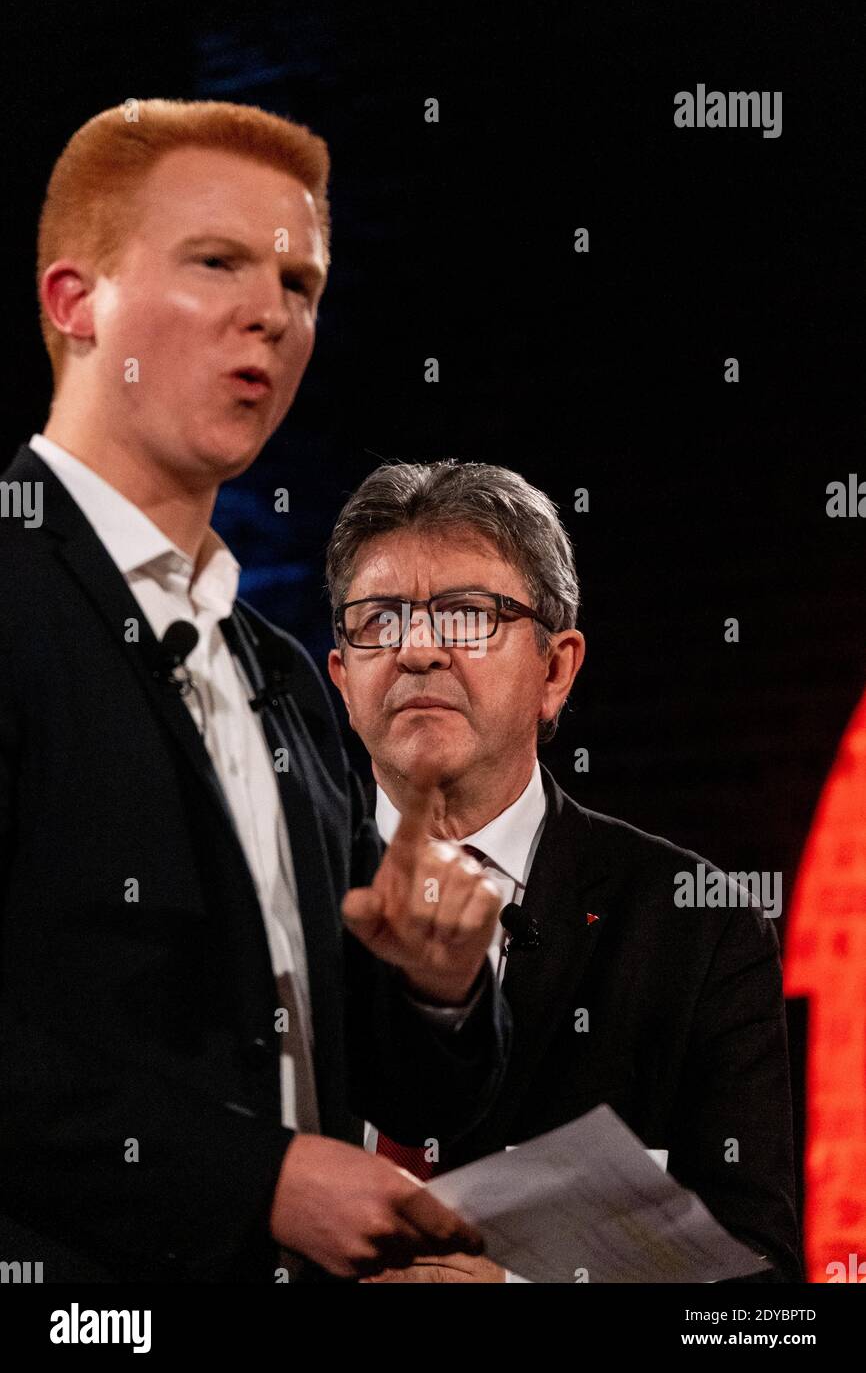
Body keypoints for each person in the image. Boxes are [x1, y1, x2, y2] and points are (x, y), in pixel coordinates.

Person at [0, 101, 511, 1283]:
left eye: (300, 281)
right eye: (217, 262)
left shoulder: (276, 671)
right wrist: (258, 1182)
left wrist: (435, 988)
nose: (270, 314)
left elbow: (387, 1089)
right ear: (74, 303)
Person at [326, 458, 803, 1283]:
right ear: (341, 676)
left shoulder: (700, 931)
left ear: (556, 670)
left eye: (468, 615)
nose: (416, 651)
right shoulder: (261, 895)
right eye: (379, 619)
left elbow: (763, 1303)